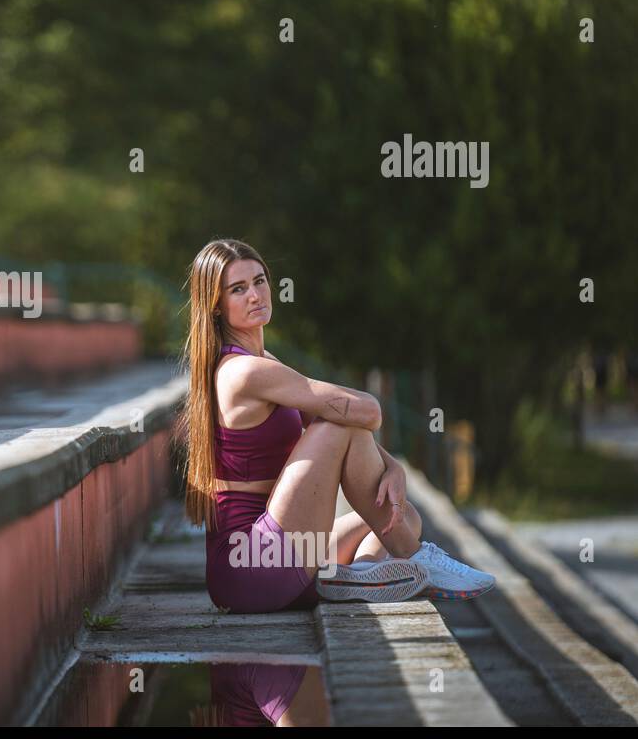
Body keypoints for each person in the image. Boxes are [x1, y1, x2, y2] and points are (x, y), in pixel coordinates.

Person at [176, 238, 495, 613]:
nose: (255, 294)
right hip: (250, 565)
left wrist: (392, 467)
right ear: (216, 306)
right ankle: (418, 558)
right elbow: (366, 412)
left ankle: (354, 575)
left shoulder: (264, 362)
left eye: (260, 281)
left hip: (283, 547)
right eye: (238, 289)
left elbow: (340, 414)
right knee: (339, 425)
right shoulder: (244, 372)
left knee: (403, 516)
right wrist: (368, 416)